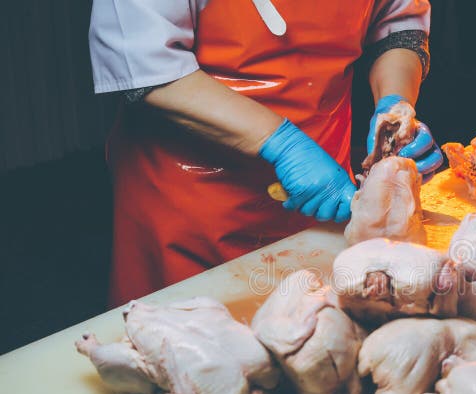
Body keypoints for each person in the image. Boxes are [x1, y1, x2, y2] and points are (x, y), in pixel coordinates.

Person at [89, 0, 443, 306]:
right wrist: (283, 144)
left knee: (316, 336)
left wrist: (396, 105)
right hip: (189, 202)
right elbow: (141, 62)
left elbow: (398, 27)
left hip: (322, 189)